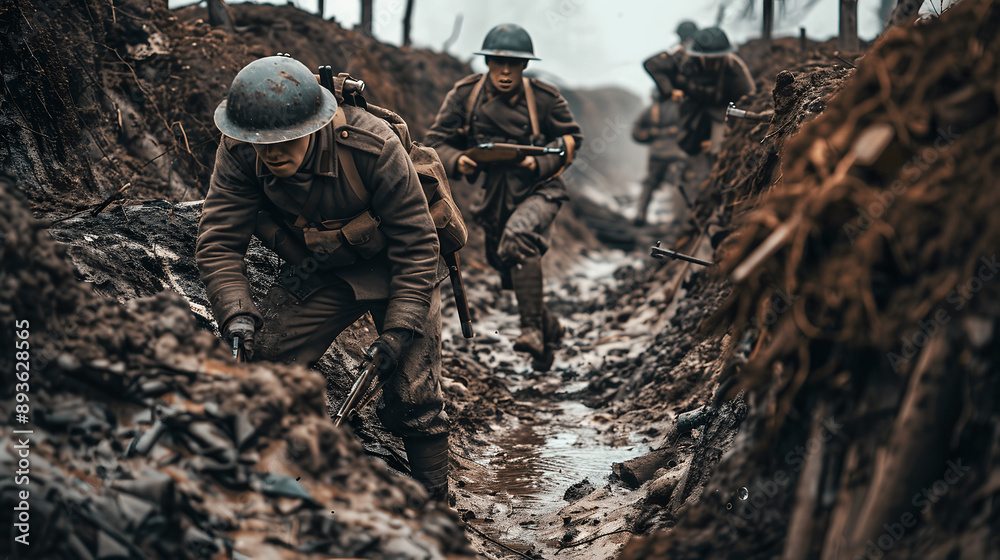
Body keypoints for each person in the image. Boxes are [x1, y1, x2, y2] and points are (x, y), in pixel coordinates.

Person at [196, 55, 450, 501]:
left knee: (413, 393)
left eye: (284, 140)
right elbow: (219, 241)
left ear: (315, 127)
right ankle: (263, 488)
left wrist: (399, 329)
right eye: (261, 141)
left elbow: (417, 244)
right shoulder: (238, 149)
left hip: (398, 266)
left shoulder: (374, 146)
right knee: (263, 364)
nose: (270, 152)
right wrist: (236, 313)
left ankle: (438, 505)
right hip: (320, 268)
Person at [424, 23, 584, 372]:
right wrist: (458, 159)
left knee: (519, 238)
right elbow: (435, 141)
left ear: (525, 65)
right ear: (488, 62)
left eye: (514, 63)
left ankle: (530, 332)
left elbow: (571, 140)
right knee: (507, 266)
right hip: (494, 195)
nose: (506, 71)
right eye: (499, 62)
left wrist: (538, 161)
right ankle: (550, 331)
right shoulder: (466, 95)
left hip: (539, 189)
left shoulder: (544, 98)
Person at [672, 27, 755, 155]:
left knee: (718, 149)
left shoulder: (734, 67)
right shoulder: (688, 66)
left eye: (717, 57)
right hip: (695, 111)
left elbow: (748, 96)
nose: (712, 61)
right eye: (708, 57)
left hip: (722, 113)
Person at [632, 89, 688, 226]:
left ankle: (642, 214)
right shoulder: (658, 109)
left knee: (655, 183)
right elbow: (636, 132)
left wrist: (653, 134)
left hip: (667, 153)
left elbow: (637, 132)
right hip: (672, 153)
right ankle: (681, 219)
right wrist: (653, 133)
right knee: (679, 184)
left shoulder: (654, 109)